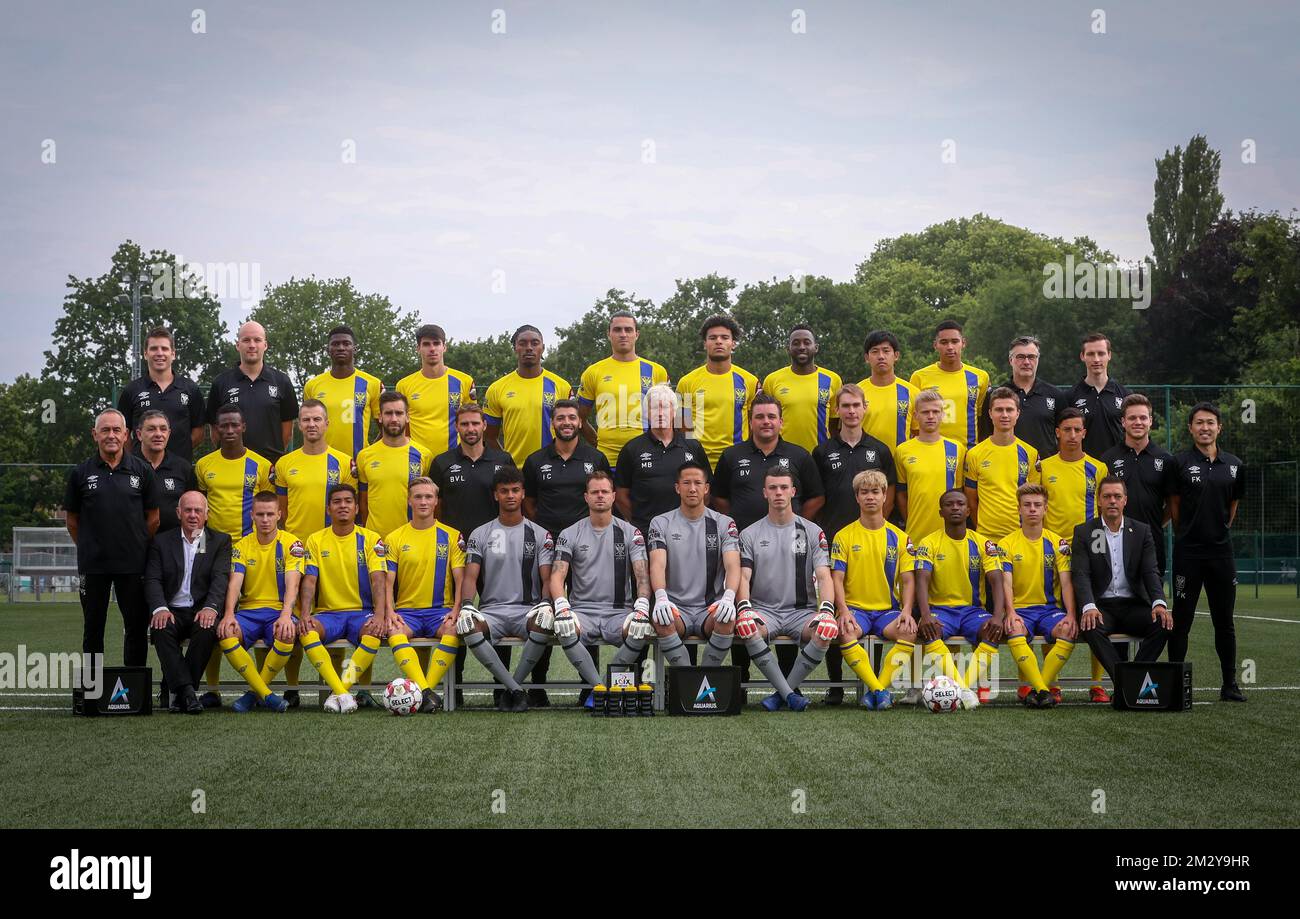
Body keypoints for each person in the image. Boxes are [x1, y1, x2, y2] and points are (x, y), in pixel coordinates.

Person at [460, 467, 604, 708]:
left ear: (523, 493)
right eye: (504, 491)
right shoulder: (480, 533)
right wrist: (466, 606)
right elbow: (470, 577)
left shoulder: (540, 534)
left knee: (544, 622)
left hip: (526, 611)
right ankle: (516, 690)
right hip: (491, 611)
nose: (510, 496)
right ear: (496, 495)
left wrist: (547, 604)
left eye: (515, 490)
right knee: (468, 626)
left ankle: (511, 689)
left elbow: (548, 579)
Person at [811, 383, 895, 703]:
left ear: (865, 407)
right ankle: (834, 686)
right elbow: (817, 497)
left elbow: (888, 495)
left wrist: (876, 527)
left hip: (871, 539)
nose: (850, 411)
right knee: (834, 610)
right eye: (844, 405)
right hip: (835, 539)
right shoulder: (822, 451)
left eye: (856, 405)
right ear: (836, 410)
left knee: (870, 608)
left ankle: (869, 684)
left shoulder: (880, 450)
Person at [734, 467, 836, 712]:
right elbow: (744, 576)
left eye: (783, 487)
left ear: (793, 491)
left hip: (801, 612)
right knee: (748, 629)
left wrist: (827, 610)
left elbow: (824, 576)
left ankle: (782, 694)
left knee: (825, 631)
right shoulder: (749, 533)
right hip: (764, 610)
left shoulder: (812, 531)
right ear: (764, 493)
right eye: (772, 488)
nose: (778, 493)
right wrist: (745, 608)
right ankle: (789, 694)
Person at [65, 409, 160, 667]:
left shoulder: (142, 471)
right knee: (93, 630)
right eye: (105, 430)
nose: (111, 435)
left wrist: (136, 544)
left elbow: (153, 519)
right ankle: (93, 693)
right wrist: (89, 546)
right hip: (93, 566)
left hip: (133, 565)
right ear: (94, 434)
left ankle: (134, 693)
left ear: (126, 435)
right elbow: (72, 521)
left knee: (136, 629)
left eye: (116, 430)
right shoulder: (80, 473)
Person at [548, 471, 652, 706]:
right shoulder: (570, 533)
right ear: (586, 497)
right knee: (564, 627)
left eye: (605, 492)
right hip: (582, 611)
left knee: (640, 629)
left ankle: (600, 688)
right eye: (594, 492)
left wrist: (643, 603)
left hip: (618, 611)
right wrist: (562, 605)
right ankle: (600, 687)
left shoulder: (630, 533)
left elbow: (642, 575)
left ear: (614, 496)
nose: (600, 496)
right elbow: (557, 575)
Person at [1168, 403, 1246, 701]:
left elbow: (1232, 506)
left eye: (1210, 423)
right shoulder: (1179, 463)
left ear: (1219, 427)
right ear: (1190, 428)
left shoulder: (1235, 465)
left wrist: (1219, 530)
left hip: (1221, 556)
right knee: (1181, 618)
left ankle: (1230, 684)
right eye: (1199, 423)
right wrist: (1186, 533)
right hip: (1188, 554)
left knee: (1224, 621)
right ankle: (1175, 682)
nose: (1205, 428)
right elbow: (1174, 505)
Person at [1071, 477, 1173, 687]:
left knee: (1163, 624)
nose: (1112, 501)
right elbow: (1081, 574)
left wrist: (1159, 603)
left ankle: (1130, 679)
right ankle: (1130, 683)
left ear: (1125, 500)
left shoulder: (1142, 531)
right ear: (1099, 500)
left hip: (1133, 605)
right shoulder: (1085, 532)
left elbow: (1150, 571)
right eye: (1107, 496)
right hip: (1102, 607)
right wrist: (1088, 606)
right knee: (1090, 626)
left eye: (1117, 496)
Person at [830, 470, 919, 710]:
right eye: (864, 492)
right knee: (845, 632)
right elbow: (836, 579)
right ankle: (880, 691)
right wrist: (843, 610)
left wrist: (908, 610)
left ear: (884, 496)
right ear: (857, 498)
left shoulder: (900, 537)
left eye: (875, 492)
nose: (870, 497)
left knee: (909, 632)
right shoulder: (843, 536)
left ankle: (876, 690)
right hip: (856, 610)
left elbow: (909, 580)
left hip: (887, 611)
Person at [1039, 407, 1111, 700]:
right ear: (1057, 432)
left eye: (1076, 430)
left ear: (1084, 433)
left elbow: (1104, 511)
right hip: (1052, 550)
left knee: (1094, 614)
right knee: (1049, 612)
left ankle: (1097, 683)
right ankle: (1051, 683)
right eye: (1065, 429)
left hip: (1090, 548)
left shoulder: (1098, 468)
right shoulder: (1042, 467)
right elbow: (1038, 508)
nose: (1071, 435)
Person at [297, 483, 390, 711]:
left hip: (361, 613)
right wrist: (305, 614)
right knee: (307, 630)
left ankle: (339, 691)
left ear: (357, 508)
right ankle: (342, 692)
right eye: (337, 502)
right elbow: (309, 580)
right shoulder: (315, 540)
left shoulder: (370, 538)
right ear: (328, 509)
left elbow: (378, 579)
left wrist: (379, 615)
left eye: (348, 501)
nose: (343, 506)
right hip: (329, 614)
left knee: (373, 631)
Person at [380, 477, 467, 714]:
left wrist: (457, 609)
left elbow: (461, 579)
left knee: (453, 630)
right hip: (407, 612)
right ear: (409, 501)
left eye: (428, 496)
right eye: (418, 496)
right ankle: (427, 691)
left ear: (436, 501)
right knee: (394, 631)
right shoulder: (395, 537)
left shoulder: (451, 536)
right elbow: (388, 581)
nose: (423, 501)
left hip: (441, 610)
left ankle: (423, 690)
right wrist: (389, 611)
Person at [912, 490, 1006, 707]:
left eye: (960, 504)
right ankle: (964, 690)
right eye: (949, 504)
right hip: (941, 610)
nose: (955, 507)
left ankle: (961, 687)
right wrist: (925, 614)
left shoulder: (983, 543)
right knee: (930, 629)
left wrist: (998, 616)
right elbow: (922, 580)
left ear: (968, 510)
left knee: (992, 629)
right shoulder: (929, 543)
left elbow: (997, 582)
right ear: (940, 512)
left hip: (972, 611)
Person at [645, 460, 741, 668]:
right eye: (686, 483)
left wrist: (729, 596)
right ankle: (688, 678)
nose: (692, 488)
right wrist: (661, 597)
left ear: (706, 488)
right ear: (677, 488)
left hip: (710, 606)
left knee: (727, 620)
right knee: (662, 620)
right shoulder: (660, 522)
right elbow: (657, 565)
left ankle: (704, 678)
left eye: (698, 483)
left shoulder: (725, 523)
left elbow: (733, 565)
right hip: (675, 606)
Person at [214, 492, 302, 713]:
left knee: (286, 633)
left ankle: (255, 694)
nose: (265, 519)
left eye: (270, 514)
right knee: (226, 633)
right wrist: (229, 614)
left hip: (278, 611)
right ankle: (266, 694)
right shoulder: (243, 545)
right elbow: (234, 584)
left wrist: (285, 614)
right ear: (252, 515)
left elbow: (293, 584)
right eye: (260, 514)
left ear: (279, 515)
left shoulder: (292, 543)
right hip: (249, 612)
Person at [145, 491, 230, 713]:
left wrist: (211, 607)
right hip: (171, 609)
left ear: (207, 514)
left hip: (200, 609)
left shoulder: (219, 541)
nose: (193, 515)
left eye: (198, 510)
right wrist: (160, 608)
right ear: (178, 513)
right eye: (188, 510)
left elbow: (220, 579)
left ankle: (180, 693)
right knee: (160, 627)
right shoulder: (161, 542)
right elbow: (153, 579)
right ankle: (188, 694)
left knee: (206, 627)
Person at [996, 483, 1079, 707]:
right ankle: (1043, 689)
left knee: (1068, 629)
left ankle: (1037, 688)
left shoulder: (1058, 544)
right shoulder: (1006, 544)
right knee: (1014, 627)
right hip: (1021, 610)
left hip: (1049, 610)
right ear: (1019, 509)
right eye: (1027, 505)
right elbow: (1006, 583)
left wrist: (1071, 614)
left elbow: (1067, 583)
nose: (1032, 509)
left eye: (1037, 505)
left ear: (1045, 509)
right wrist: (1010, 612)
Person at [712, 393, 824, 532]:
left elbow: (817, 497)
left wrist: (799, 522)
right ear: (750, 423)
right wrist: (735, 522)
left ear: (781, 422)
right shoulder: (731, 455)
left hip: (789, 539)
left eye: (771, 416)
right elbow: (718, 497)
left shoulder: (800, 455)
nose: (766, 421)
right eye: (759, 417)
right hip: (742, 540)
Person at [577, 310, 670, 466]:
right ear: (609, 334)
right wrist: (596, 442)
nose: (623, 334)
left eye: (628, 330)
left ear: (637, 334)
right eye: (617, 329)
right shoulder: (593, 372)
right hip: (607, 457)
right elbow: (579, 418)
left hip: (647, 455)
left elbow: (670, 416)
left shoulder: (656, 371)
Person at [614, 384, 709, 536]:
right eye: (654, 408)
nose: (660, 413)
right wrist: (641, 523)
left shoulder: (692, 446)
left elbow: (706, 490)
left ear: (674, 411)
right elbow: (620, 495)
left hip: (687, 532)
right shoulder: (632, 449)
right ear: (646, 413)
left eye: (664, 407)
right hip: (646, 532)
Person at [1100, 393, 1177, 577]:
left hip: (1152, 543)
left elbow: (1172, 504)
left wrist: (1155, 523)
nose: (1138, 422)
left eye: (1143, 418)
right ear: (1123, 422)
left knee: (1153, 601)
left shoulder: (1166, 460)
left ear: (1150, 421)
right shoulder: (1108, 459)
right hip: (1114, 543)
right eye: (1132, 418)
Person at [205, 321, 298, 463]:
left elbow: (287, 432)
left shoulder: (282, 381)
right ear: (238, 345)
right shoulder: (221, 382)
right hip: (231, 465)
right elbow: (215, 431)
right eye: (246, 340)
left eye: (257, 340)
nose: (252, 345)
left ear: (265, 345)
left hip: (270, 467)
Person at [482, 325, 574, 467]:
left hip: (554, 469)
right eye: (523, 343)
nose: (529, 348)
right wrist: (506, 463)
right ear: (515, 348)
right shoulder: (497, 388)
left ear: (542, 348)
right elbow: (489, 437)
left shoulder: (561, 386)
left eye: (535, 343)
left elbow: (572, 431)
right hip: (516, 473)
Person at [675, 314, 760, 468]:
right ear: (705, 343)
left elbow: (754, 424)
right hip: (698, 462)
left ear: (733, 343)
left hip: (738, 461)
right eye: (713, 338)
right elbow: (683, 428)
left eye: (724, 337)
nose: (719, 341)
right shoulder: (686, 382)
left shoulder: (750, 381)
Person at [522, 399, 613, 538]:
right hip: (547, 539)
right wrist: (543, 529)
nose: (566, 422)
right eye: (560, 418)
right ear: (552, 423)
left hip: (587, 539)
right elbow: (528, 502)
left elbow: (606, 498)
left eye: (572, 417)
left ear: (580, 422)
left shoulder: (596, 459)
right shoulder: (535, 460)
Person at [274, 399, 357, 543]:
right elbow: (282, 510)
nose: (311, 424)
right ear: (299, 425)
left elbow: (350, 510)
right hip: (296, 545)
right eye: (306, 420)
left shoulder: (344, 462)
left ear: (326, 424)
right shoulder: (284, 463)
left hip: (332, 545)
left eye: (317, 419)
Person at [964, 386, 1040, 541]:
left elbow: (1035, 498)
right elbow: (971, 501)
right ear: (990, 414)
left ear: (1017, 413)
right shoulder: (974, 454)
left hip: (1020, 537)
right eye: (999, 410)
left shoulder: (1030, 453)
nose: (1004, 415)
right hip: (986, 538)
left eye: (1009, 410)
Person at [356, 391, 435, 539]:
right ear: (380, 417)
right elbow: (363, 502)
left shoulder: (424, 455)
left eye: (399, 413)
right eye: (388, 413)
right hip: (376, 542)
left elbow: (430, 502)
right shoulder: (365, 456)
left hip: (412, 540)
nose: (394, 419)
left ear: (407, 417)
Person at [117, 326, 205, 460]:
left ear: (173, 354)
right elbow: (124, 433)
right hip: (141, 472)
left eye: (164, 348)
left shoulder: (190, 389)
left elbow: (199, 432)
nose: (159, 353)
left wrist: (177, 454)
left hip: (180, 473)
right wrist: (135, 458)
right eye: (154, 348)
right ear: (145, 354)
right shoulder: (132, 390)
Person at [429, 402, 513, 537]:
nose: (470, 429)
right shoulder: (442, 462)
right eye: (464, 424)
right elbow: (435, 506)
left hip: (494, 541)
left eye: (475, 423)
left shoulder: (503, 460)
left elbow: (513, 502)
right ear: (456, 426)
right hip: (456, 544)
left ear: (484, 425)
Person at [301, 325, 383, 460]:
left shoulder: (372, 384)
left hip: (357, 465)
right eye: (335, 344)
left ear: (355, 348)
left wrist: (368, 456)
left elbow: (386, 427)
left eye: (346, 343)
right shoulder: (312, 386)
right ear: (328, 350)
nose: (341, 348)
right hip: (320, 462)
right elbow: (306, 426)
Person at [895, 388, 966, 541]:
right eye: (925, 412)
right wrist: (910, 520)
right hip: (916, 535)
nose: (931, 416)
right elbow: (901, 494)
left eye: (935, 411)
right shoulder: (903, 450)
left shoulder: (957, 449)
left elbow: (959, 491)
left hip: (950, 536)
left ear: (943, 414)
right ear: (915, 416)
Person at [195, 403, 274, 541]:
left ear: (243, 427)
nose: (230, 430)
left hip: (250, 542)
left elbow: (270, 510)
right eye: (224, 426)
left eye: (235, 425)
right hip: (214, 543)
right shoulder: (203, 464)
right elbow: (197, 511)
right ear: (216, 428)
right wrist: (200, 548)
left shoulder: (262, 465)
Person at [395, 323, 475, 457]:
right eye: (426, 344)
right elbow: (402, 428)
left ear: (444, 347)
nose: (432, 349)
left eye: (436, 343)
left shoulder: (464, 381)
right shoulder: (404, 385)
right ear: (418, 348)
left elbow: (472, 423)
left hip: (455, 459)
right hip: (417, 459)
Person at [909, 319, 989, 450]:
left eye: (955, 341)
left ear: (963, 343)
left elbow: (980, 416)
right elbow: (915, 421)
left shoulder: (980, 377)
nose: (950, 347)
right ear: (935, 345)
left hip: (967, 452)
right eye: (944, 342)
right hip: (931, 451)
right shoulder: (919, 377)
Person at [762, 324, 842, 452]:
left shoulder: (832, 380)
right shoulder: (772, 380)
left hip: (820, 456)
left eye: (807, 342)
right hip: (782, 457)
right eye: (796, 343)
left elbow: (835, 425)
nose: (801, 347)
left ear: (815, 348)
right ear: (788, 349)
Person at [978, 335, 1062, 457]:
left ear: (1038, 359)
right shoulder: (995, 396)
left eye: (1031, 357)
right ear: (1010, 360)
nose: (1026, 362)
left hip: (1044, 471)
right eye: (1020, 357)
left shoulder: (1055, 395)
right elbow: (985, 436)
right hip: (1005, 468)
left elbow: (1064, 436)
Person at [1065, 333, 1130, 459]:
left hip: (1117, 467)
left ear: (1109, 356)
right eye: (1090, 354)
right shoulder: (1070, 396)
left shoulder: (1125, 395)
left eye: (1101, 353)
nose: (1096, 359)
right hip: (1082, 468)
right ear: (1082, 356)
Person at [856, 330, 919, 457]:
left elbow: (918, 433)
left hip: (900, 464)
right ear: (867, 358)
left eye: (886, 351)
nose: (881, 356)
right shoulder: (857, 392)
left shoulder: (912, 393)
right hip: (864, 465)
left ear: (896, 355)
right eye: (875, 351)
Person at [132, 409, 196, 534]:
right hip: (135, 546)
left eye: (163, 429)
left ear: (169, 433)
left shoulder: (183, 468)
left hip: (173, 548)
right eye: (151, 429)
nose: (158, 434)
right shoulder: (127, 467)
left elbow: (198, 513)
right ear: (139, 435)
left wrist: (200, 550)